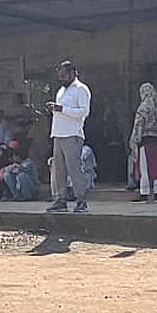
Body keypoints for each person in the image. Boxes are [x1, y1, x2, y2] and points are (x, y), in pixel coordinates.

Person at [45, 60, 92, 213]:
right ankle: (61, 199)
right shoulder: (61, 91)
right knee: (59, 170)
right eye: (60, 77)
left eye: (64, 76)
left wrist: (62, 109)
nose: (62, 79)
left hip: (72, 134)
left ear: (72, 74)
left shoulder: (81, 90)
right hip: (58, 134)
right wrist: (55, 109)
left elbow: (84, 112)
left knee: (74, 169)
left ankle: (81, 200)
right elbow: (61, 111)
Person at [129, 83, 157, 203]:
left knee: (144, 167)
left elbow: (138, 125)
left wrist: (134, 140)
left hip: (146, 140)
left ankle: (144, 193)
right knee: (156, 166)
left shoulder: (143, 107)